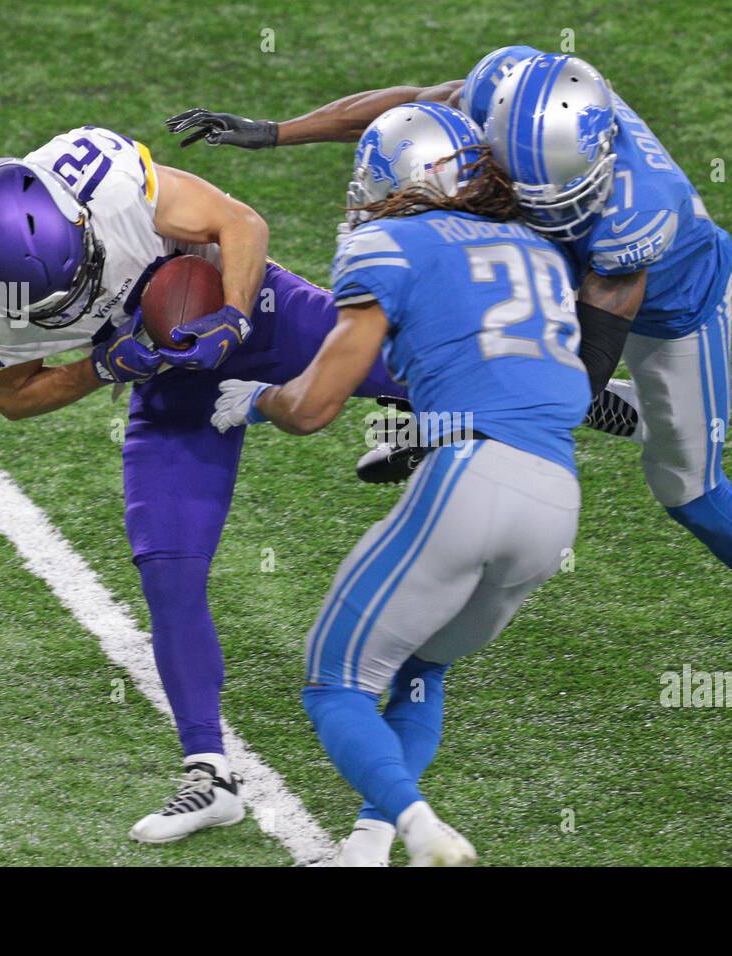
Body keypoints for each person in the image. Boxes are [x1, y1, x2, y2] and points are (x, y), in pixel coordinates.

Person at [168, 48, 732, 689]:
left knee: (685, 485)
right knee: (440, 295)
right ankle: (592, 413)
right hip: (546, 262)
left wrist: (453, 426)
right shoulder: (503, 92)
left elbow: (566, 381)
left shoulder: (641, 210)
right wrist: (274, 131)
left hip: (670, 307)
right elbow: (406, 117)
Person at [0, 124, 398, 845]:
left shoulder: (104, 179)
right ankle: (209, 774)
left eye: (77, 269)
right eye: (54, 295)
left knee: (412, 367)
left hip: (242, 315)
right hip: (160, 379)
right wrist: (100, 368)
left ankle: (582, 391)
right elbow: (13, 397)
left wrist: (232, 319)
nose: (78, 292)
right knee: (167, 569)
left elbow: (238, 222)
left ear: (78, 217)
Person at [209, 103, 591, 866]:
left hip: (472, 474)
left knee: (335, 682)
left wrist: (258, 397)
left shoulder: (393, 240)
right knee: (422, 666)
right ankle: (367, 845)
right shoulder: (540, 249)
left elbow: (316, 406)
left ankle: (420, 830)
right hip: (557, 497)